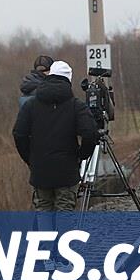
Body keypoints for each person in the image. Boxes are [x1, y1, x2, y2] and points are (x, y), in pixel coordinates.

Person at [12, 60, 98, 211]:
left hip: (40, 171)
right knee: (65, 214)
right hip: (67, 172)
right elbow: (90, 134)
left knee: (44, 213)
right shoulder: (76, 106)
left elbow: (19, 134)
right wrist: (80, 156)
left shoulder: (30, 105)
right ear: (68, 80)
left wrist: (31, 159)